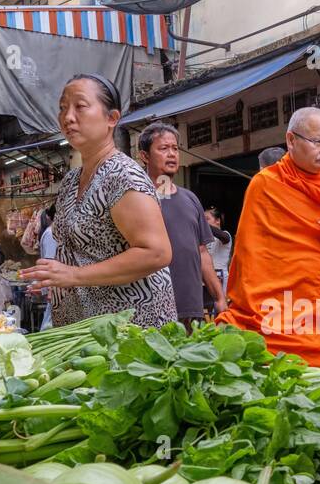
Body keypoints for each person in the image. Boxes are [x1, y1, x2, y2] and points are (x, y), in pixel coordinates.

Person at [216, 107, 320, 370]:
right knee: (279, 380)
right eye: (318, 142)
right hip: (274, 307)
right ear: (291, 140)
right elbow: (250, 251)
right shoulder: (265, 184)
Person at [20, 73, 175, 329]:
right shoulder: (71, 180)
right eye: (62, 108)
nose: (68, 117)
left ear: (111, 118)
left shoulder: (123, 175)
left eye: (80, 106)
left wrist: (74, 275)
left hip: (129, 333)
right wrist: (55, 276)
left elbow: (156, 253)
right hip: (86, 331)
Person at [137, 122, 227, 329]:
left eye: (175, 148)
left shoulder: (190, 198)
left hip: (191, 308)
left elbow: (202, 252)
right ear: (144, 156)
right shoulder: (138, 198)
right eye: (163, 148)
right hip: (152, 309)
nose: (171, 154)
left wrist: (219, 297)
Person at [204, 205, 232, 299]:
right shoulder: (205, 239)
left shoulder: (225, 235)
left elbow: (224, 237)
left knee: (219, 305)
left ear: (218, 221)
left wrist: (202, 224)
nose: (204, 222)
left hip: (220, 275)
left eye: (207, 219)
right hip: (207, 275)